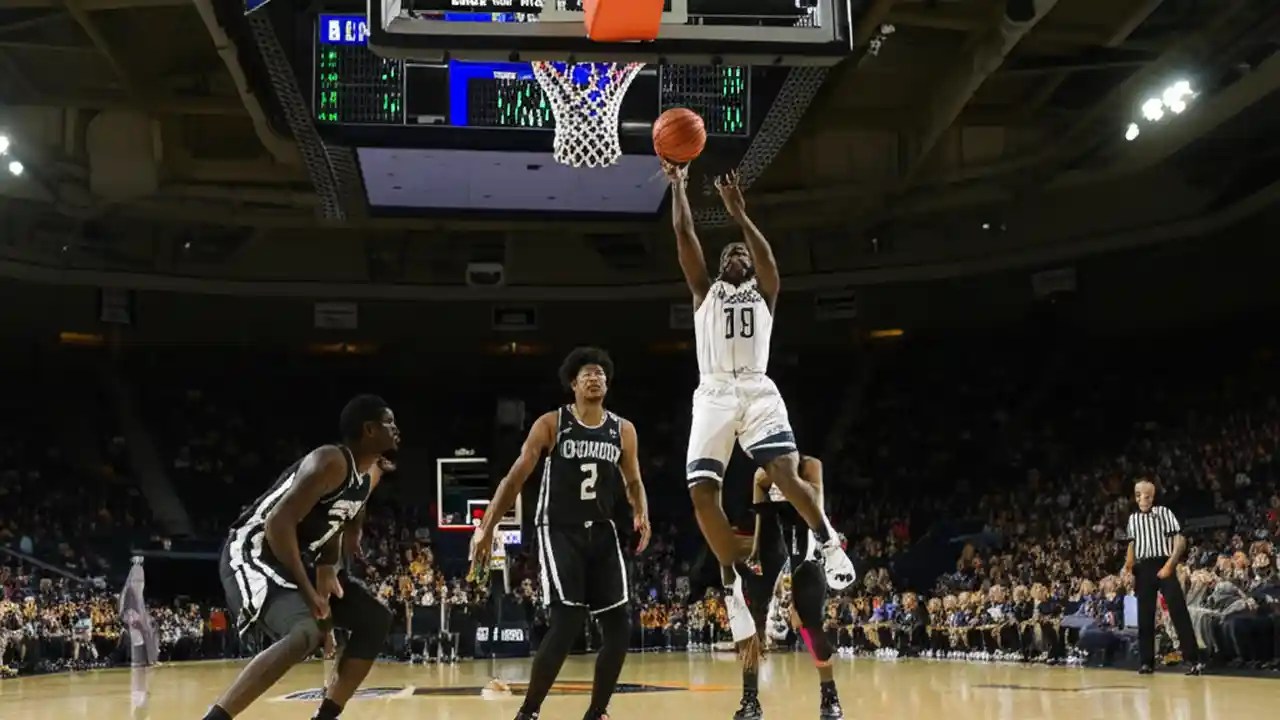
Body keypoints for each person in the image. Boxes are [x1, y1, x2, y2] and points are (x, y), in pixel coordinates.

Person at [663, 161, 855, 593]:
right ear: (718, 265)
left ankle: (827, 541)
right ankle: (731, 572)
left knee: (787, 472)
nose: (737, 254)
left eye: (742, 253)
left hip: (756, 388)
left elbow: (768, 261)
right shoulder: (704, 292)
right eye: (729, 252)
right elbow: (684, 236)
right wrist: (678, 186)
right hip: (713, 390)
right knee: (700, 491)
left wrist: (740, 216)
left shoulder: (764, 292)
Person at [470, 347, 651, 720]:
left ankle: (597, 712)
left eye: (600, 373)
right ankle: (529, 711)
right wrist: (487, 527)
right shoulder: (552, 423)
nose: (594, 377)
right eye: (586, 373)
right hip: (559, 530)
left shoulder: (623, 429)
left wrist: (641, 513)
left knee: (620, 626)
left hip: (602, 532)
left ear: (607, 382)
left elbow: (633, 479)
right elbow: (516, 475)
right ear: (573, 383)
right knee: (566, 620)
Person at [202, 394, 401, 720]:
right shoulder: (330, 461)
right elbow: (277, 524)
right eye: (389, 423)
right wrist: (311, 597)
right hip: (253, 552)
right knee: (306, 633)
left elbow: (336, 522)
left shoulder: (366, 476)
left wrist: (327, 571)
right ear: (368, 430)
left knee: (375, 619)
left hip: (293, 560)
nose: (397, 430)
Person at [732, 455, 844, 720]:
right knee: (753, 624)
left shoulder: (812, 466)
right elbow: (762, 519)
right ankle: (750, 699)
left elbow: (814, 508)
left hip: (805, 543)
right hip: (773, 542)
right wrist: (756, 553)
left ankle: (829, 695)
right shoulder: (761, 474)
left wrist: (786, 480)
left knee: (811, 624)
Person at [1123, 479, 1204, 676]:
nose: (1145, 498)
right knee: (1145, 615)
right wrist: (1127, 567)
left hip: (1163, 562)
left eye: (1149, 494)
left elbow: (1180, 540)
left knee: (1178, 610)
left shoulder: (1164, 513)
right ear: (1136, 497)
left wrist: (1170, 564)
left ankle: (1193, 660)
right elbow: (1132, 545)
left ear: (1153, 496)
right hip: (1144, 567)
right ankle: (1146, 662)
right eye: (1141, 494)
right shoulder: (1133, 519)